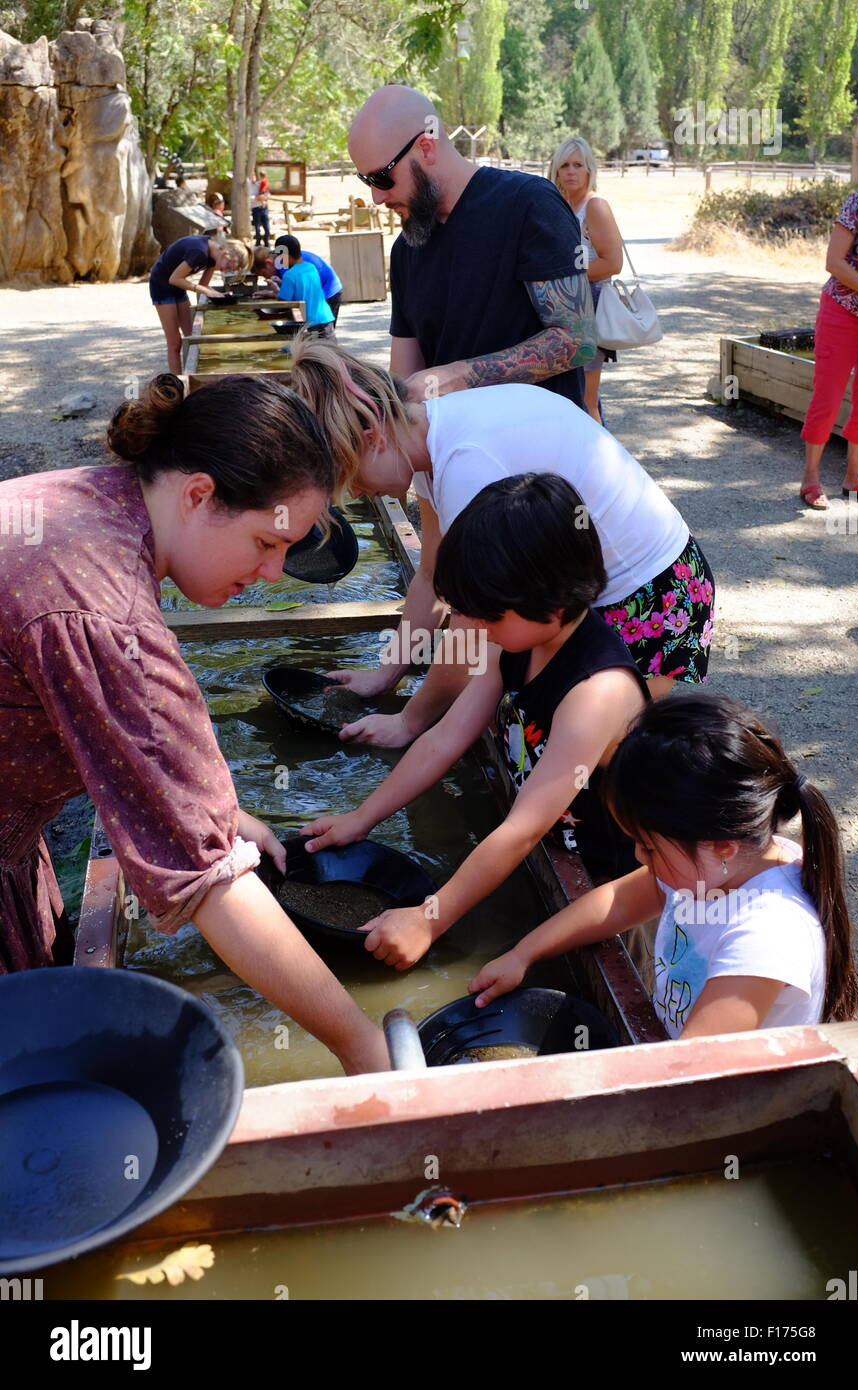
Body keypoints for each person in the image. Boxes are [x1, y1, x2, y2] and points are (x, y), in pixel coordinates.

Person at [0, 373, 388, 1074]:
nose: (273, 574)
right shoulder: (104, 611)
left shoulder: (92, 498)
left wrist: (221, 815)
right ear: (200, 494)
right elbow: (211, 886)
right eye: (265, 544)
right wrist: (363, 1047)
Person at [287, 336, 715, 746]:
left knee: (561, 746)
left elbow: (472, 624)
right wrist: (387, 673)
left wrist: (409, 721)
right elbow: (434, 574)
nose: (358, 493)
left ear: (371, 438)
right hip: (578, 591)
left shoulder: (467, 464)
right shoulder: (423, 433)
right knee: (499, 713)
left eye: (351, 477)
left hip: (653, 597)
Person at [301, 475, 648, 968]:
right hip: (551, 850)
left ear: (549, 600)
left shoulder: (596, 692)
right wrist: (362, 818)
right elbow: (443, 738)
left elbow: (521, 830)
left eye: (489, 615)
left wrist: (429, 918)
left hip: (605, 887)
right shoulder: (517, 642)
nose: (477, 628)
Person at [470, 691, 858, 1038]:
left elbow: (691, 1070)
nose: (639, 858)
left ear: (720, 847)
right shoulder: (715, 866)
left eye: (649, 847)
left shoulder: (766, 936)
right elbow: (618, 903)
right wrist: (524, 954)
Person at [348, 85, 596, 409]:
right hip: (457, 456)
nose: (377, 198)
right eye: (366, 181)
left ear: (426, 147)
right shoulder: (406, 248)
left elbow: (578, 341)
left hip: (541, 452)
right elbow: (406, 382)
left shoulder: (528, 204)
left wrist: (458, 377)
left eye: (382, 178)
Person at [548, 136, 624, 426]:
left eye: (577, 165)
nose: (570, 171)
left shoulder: (595, 206)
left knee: (586, 401)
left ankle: (601, 467)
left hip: (589, 309)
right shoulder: (559, 204)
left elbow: (612, 263)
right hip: (563, 310)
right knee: (569, 395)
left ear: (589, 169)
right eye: (564, 165)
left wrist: (564, 275)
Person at [799, 187, 858, 508]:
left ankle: (855, 477)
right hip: (842, 308)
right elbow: (834, 262)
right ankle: (810, 478)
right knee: (828, 394)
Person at [149, 234, 249, 373]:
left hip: (178, 285)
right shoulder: (199, 251)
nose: (225, 271)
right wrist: (206, 291)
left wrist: (219, 295)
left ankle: (195, 376)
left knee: (192, 336)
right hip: (162, 285)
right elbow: (174, 278)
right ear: (225, 254)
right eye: (228, 266)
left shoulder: (214, 256)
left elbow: (204, 285)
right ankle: (178, 383)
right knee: (175, 343)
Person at [274, 235, 343, 323]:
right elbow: (303, 292)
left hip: (311, 323)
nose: (279, 261)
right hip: (325, 318)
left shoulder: (289, 275)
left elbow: (284, 303)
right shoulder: (311, 267)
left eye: (279, 257)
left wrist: (276, 290)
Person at [251, 167, 271, 247]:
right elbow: (249, 198)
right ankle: (258, 241)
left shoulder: (261, 183)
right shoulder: (249, 186)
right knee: (257, 227)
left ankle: (266, 241)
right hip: (256, 208)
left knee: (266, 226)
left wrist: (263, 198)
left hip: (263, 208)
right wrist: (257, 198)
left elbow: (268, 194)